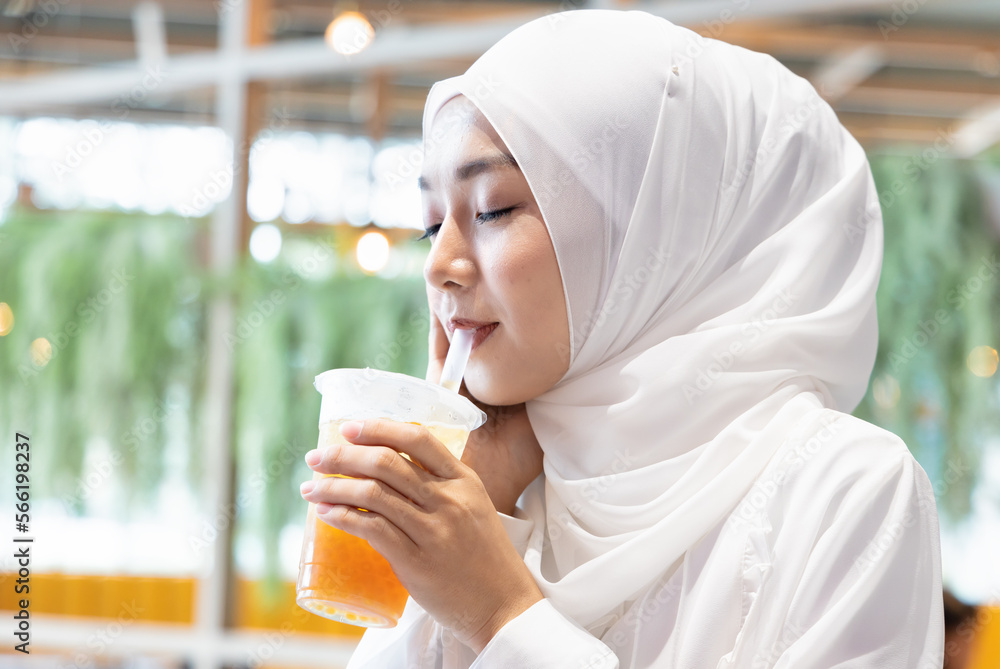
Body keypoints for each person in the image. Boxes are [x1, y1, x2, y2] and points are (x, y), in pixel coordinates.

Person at [299, 8, 944, 668]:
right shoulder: (503, 497)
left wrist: (499, 615)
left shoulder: (847, 491)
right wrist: (478, 498)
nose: (439, 264)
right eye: (432, 225)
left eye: (493, 208)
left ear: (657, 232)